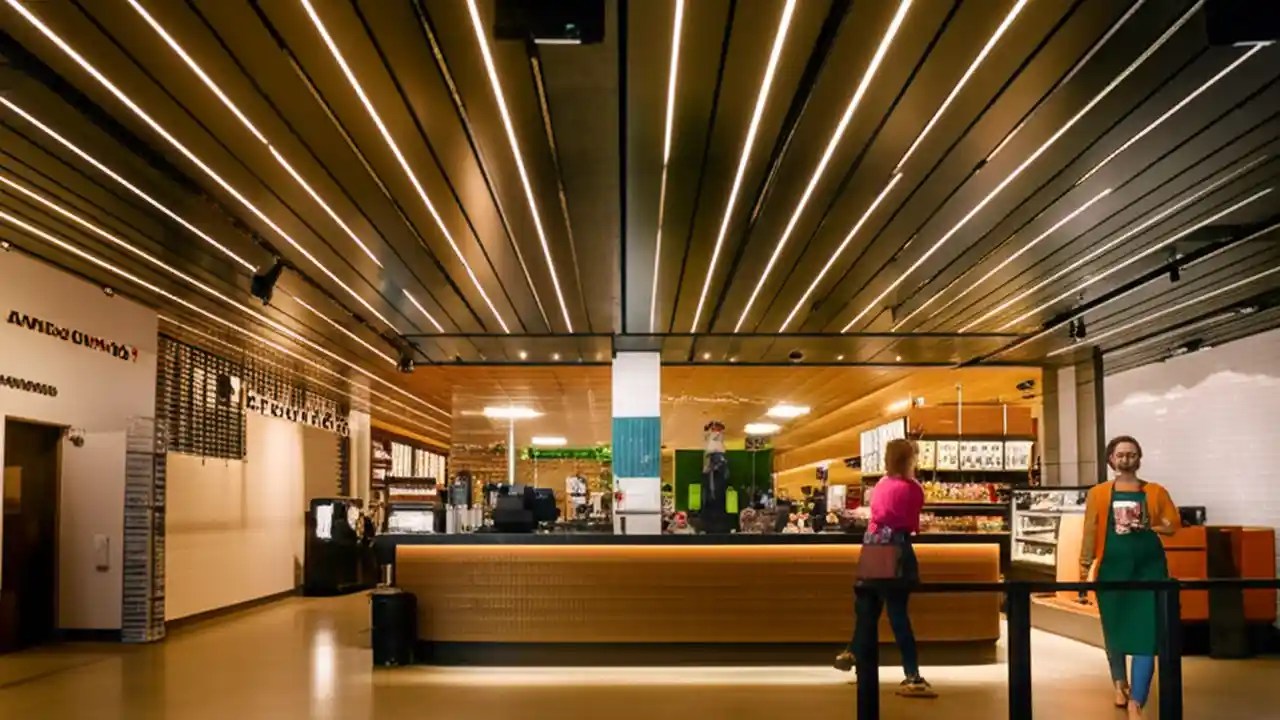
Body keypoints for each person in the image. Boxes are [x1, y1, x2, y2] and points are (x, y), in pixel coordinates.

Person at [1080, 436, 1180, 719]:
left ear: (1139, 458)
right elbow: (1090, 530)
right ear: (1111, 459)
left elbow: (1173, 526)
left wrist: (1154, 524)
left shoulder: (1156, 491)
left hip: (1149, 569)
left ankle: (1138, 699)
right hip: (1112, 568)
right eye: (1120, 454)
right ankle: (1118, 682)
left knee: (1147, 635)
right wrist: (1083, 568)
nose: (1126, 459)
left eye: (1131, 454)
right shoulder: (1098, 493)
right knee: (1115, 628)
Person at [833, 438, 933, 698]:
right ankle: (913, 675)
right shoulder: (913, 488)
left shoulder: (880, 485)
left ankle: (855, 654)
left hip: (873, 548)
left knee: (868, 611)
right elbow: (911, 523)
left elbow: (877, 515)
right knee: (898, 614)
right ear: (909, 459)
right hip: (898, 549)